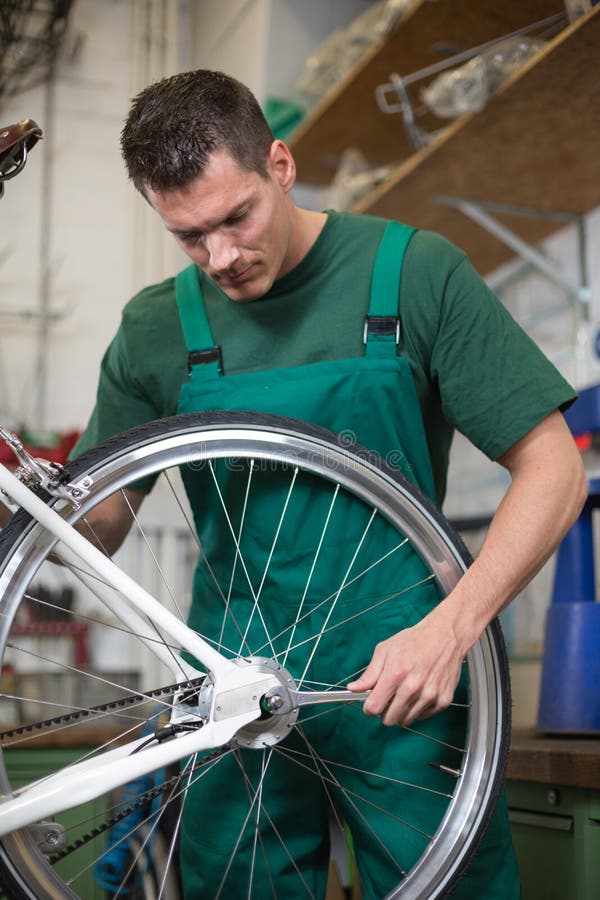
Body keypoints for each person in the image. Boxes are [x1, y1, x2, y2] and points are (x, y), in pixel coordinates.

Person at [72, 70, 585, 898]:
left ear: (280, 164)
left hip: (405, 679)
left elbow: (553, 468)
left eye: (237, 217)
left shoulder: (414, 273)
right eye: (190, 237)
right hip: (233, 691)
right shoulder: (154, 328)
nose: (222, 257)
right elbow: (100, 523)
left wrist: (454, 629)